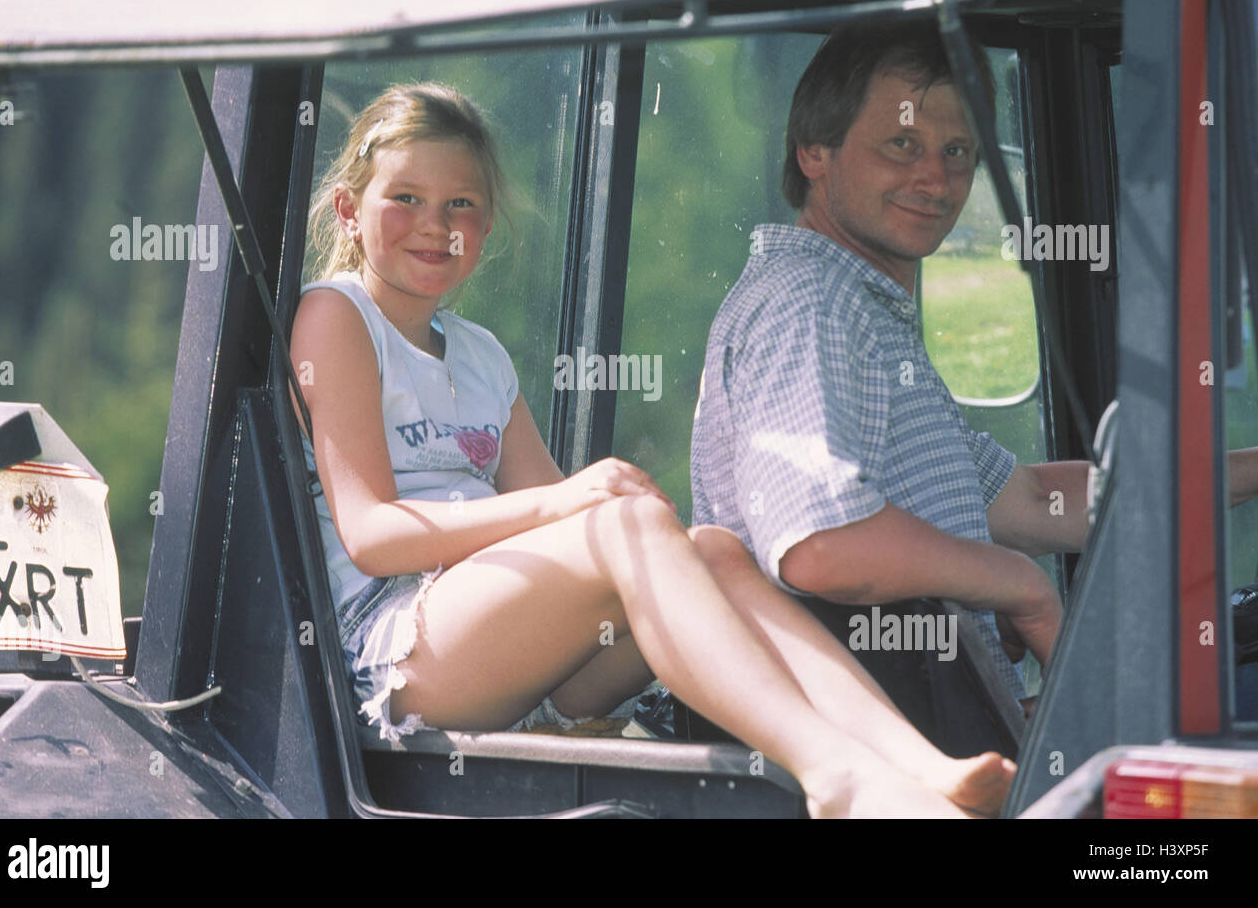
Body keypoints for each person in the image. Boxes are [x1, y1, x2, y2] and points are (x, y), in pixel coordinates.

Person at [290, 81, 1018, 817]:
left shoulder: (479, 355)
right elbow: (374, 536)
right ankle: (832, 774)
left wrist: (605, 513)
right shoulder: (338, 316)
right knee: (624, 529)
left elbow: (561, 533)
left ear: (485, 225)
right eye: (405, 199)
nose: (435, 225)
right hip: (404, 649)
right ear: (350, 211)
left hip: (512, 646)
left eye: (462, 205)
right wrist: (575, 499)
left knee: (712, 548)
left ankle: (912, 765)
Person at [690, 19, 1258, 706]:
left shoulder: (864, 314)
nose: (935, 177)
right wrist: (1015, 583)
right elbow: (820, 544)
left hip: (939, 712)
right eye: (903, 145)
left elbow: (1031, 501)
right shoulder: (810, 302)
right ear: (815, 150)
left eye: (957, 150)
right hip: (882, 739)